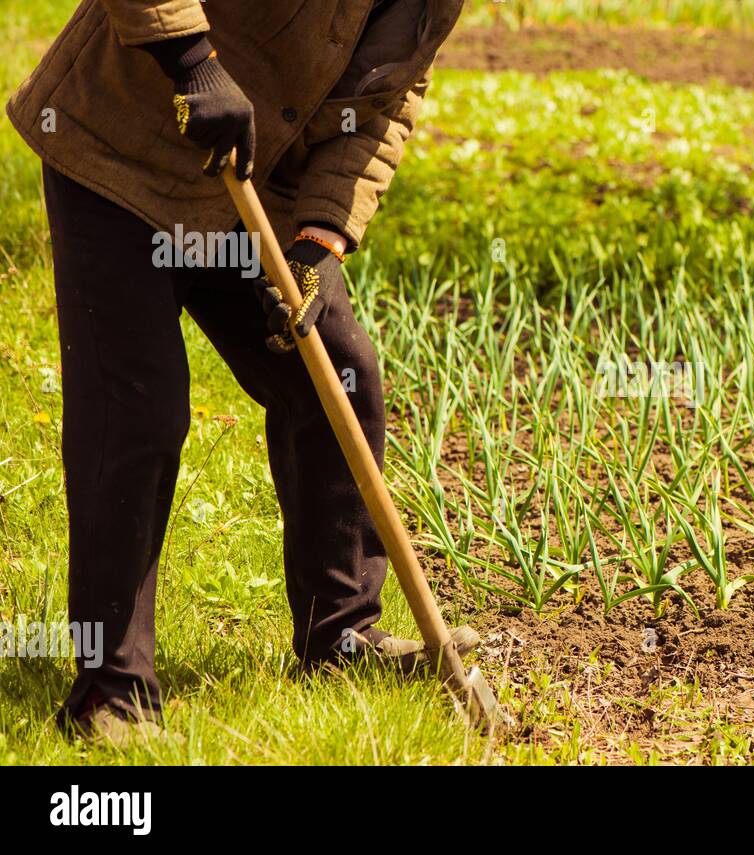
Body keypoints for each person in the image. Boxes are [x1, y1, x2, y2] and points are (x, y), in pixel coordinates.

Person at [5, 0, 472, 743]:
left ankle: (340, 640)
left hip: (252, 180)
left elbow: (389, 95)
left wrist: (321, 234)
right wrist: (191, 59)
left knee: (334, 376)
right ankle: (112, 688)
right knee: (138, 409)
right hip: (120, 153)